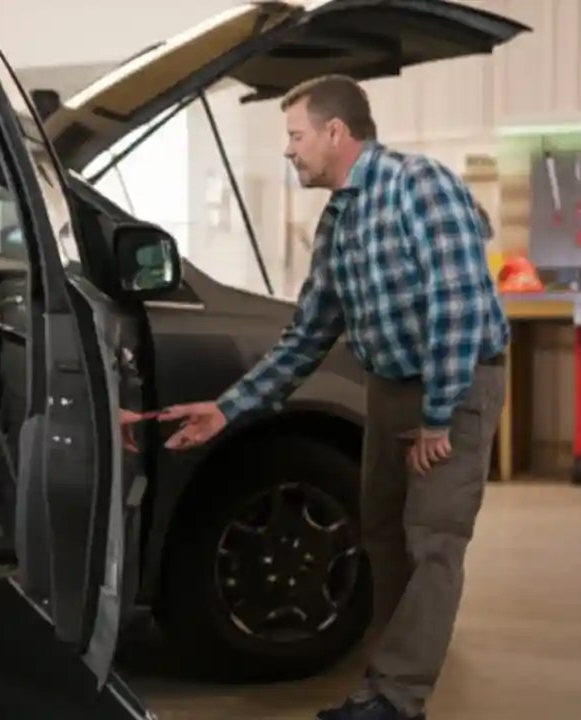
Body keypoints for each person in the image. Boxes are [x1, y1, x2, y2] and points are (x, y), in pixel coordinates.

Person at [151, 75, 509, 720]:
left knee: (433, 540)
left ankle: (398, 700)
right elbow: (306, 335)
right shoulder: (339, 220)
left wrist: (437, 418)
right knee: (381, 533)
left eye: (296, 135)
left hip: (453, 381)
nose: (289, 151)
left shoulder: (418, 186)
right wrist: (227, 408)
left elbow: (457, 309)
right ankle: (382, 687)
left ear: (335, 132)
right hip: (393, 384)